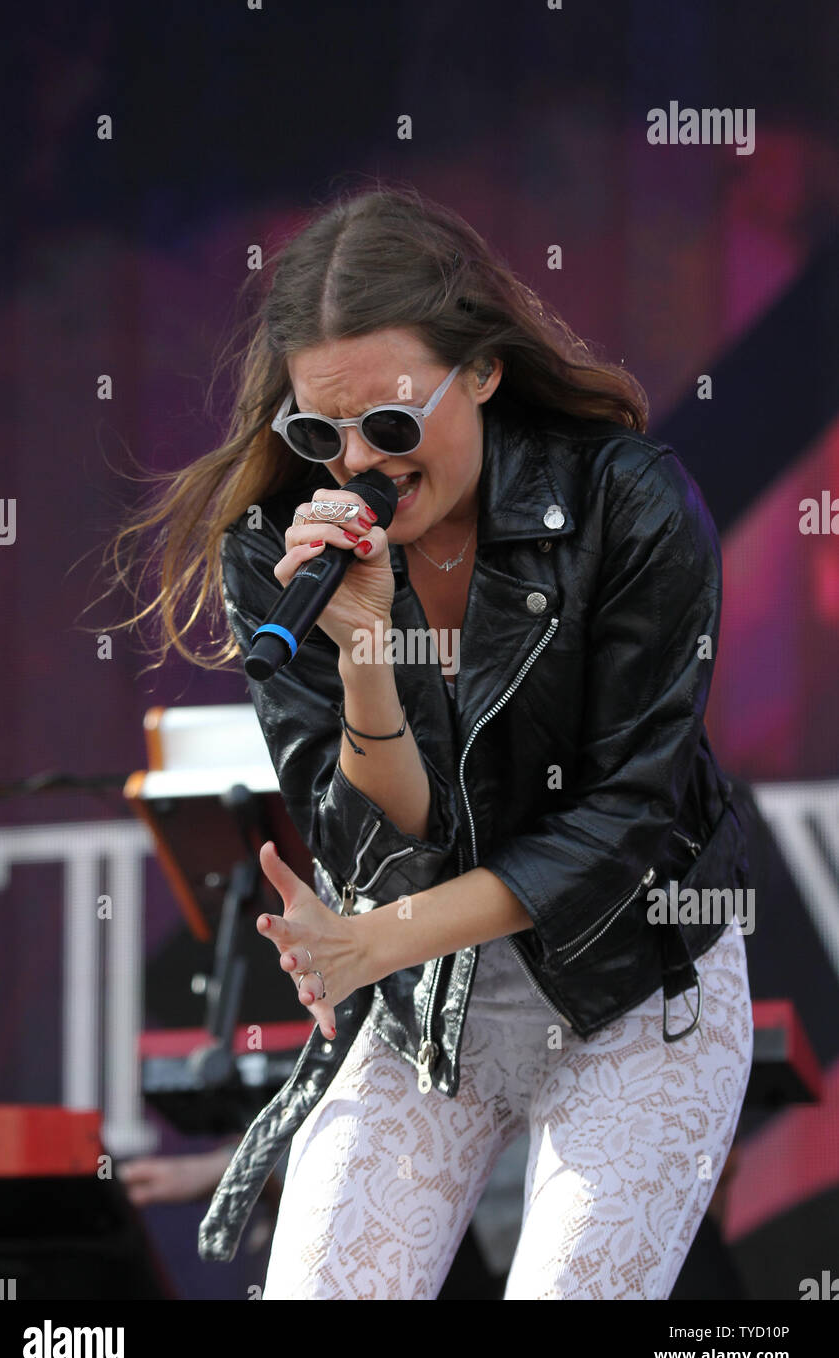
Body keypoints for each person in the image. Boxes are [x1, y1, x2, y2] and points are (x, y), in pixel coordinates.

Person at [108, 184, 753, 1299]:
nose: (358, 461)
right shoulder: (282, 557)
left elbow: (621, 821)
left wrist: (375, 939)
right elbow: (375, 837)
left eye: (393, 424)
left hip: (633, 986)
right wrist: (364, 649)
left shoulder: (626, 504)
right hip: (425, 999)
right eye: (321, 431)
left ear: (485, 372)